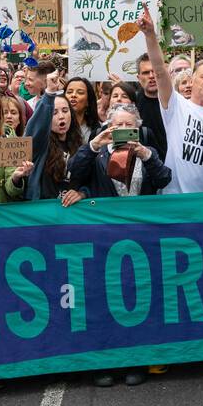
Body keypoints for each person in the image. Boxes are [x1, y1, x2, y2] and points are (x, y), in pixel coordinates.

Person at [70, 104, 172, 387]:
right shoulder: (98, 151)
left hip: (141, 239)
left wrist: (146, 155)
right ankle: (104, 363)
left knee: (137, 301)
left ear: (137, 129)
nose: (124, 131)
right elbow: (74, 175)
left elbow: (164, 178)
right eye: (118, 126)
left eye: (130, 126)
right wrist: (93, 146)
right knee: (104, 300)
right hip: (105, 239)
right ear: (108, 126)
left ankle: (135, 359)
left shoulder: (147, 151)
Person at [139, 5, 203, 195]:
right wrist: (150, 35)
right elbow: (160, 70)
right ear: (191, 81)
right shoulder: (176, 105)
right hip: (175, 197)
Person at [23, 78, 83, 204]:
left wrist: (82, 193)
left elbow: (90, 178)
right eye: (54, 113)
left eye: (65, 111)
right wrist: (49, 93)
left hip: (73, 213)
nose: (61, 116)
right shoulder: (40, 145)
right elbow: (34, 128)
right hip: (45, 212)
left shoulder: (79, 143)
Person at [63, 77, 100, 143]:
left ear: (88, 101)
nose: (73, 95)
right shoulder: (56, 126)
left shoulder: (98, 129)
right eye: (69, 92)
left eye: (80, 92)